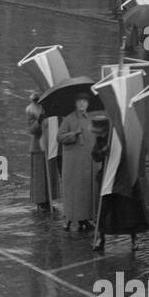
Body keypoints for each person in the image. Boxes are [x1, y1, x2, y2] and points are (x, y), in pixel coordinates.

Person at [91, 113, 148, 252]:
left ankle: (134, 239)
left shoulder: (119, 136)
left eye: (100, 132)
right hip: (107, 177)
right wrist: (102, 152)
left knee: (129, 208)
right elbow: (95, 156)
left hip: (124, 177)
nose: (98, 134)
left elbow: (131, 151)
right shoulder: (100, 140)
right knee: (103, 209)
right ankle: (101, 237)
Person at [58, 95, 96, 232]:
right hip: (72, 163)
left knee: (84, 191)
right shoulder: (68, 119)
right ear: (75, 103)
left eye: (85, 101)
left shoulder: (90, 119)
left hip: (87, 162)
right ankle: (68, 218)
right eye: (79, 101)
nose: (82, 104)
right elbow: (60, 137)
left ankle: (83, 218)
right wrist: (74, 134)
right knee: (72, 190)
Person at [26, 93, 57, 212]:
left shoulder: (50, 110)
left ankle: (48, 199)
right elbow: (32, 130)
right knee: (39, 176)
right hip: (38, 148)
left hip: (50, 146)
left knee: (49, 175)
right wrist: (39, 121)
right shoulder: (30, 111)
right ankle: (40, 201)